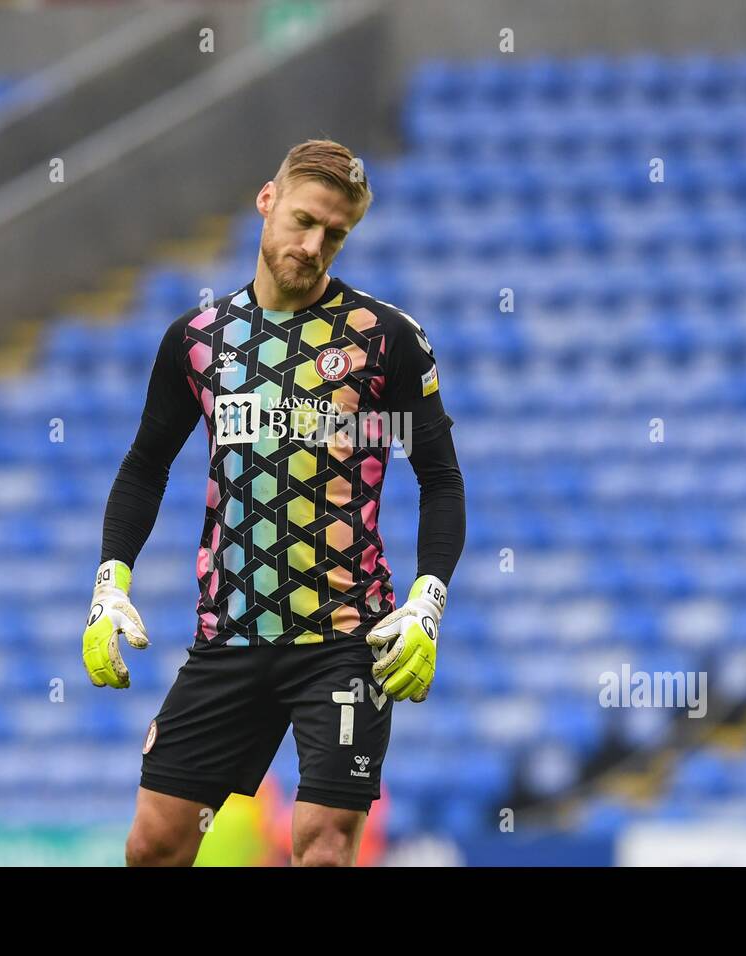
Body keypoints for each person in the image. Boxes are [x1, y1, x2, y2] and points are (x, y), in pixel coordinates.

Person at [81, 139, 466, 866]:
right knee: (154, 845)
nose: (314, 244)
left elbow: (441, 479)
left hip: (345, 639)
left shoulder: (385, 340)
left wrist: (426, 602)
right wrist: (110, 584)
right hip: (229, 634)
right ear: (266, 201)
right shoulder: (196, 341)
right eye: (303, 220)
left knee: (321, 848)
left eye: (335, 233)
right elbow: (143, 468)